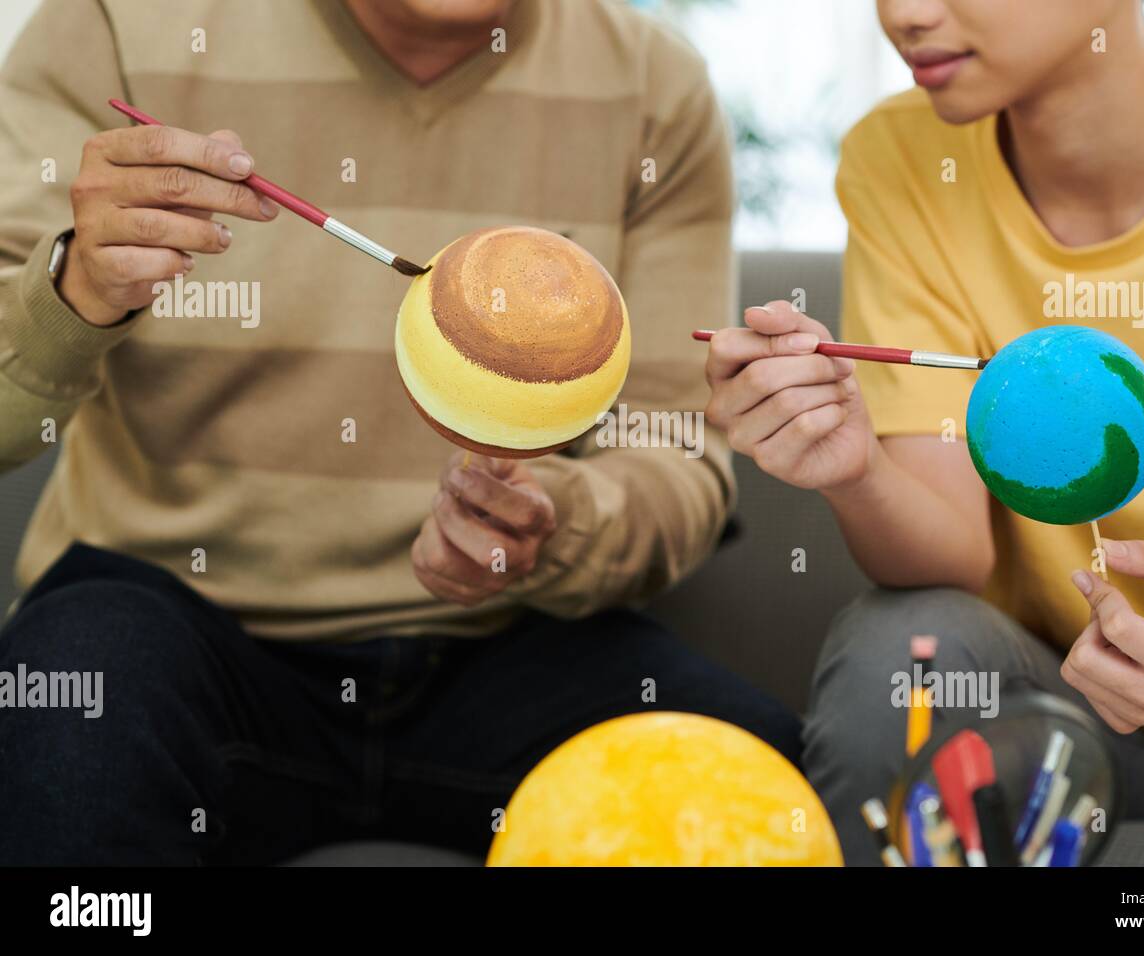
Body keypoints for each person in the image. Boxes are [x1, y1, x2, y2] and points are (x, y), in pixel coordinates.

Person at [0, 0, 801, 864]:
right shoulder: (111, 24)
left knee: (752, 776)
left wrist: (554, 523)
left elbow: (675, 458)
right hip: (174, 637)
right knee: (67, 709)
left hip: (506, 647)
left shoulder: (655, 85)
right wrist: (75, 290)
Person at [703, 0, 1144, 865]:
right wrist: (855, 469)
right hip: (1057, 706)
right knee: (897, 651)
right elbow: (952, 558)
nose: (903, 14)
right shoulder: (901, 156)